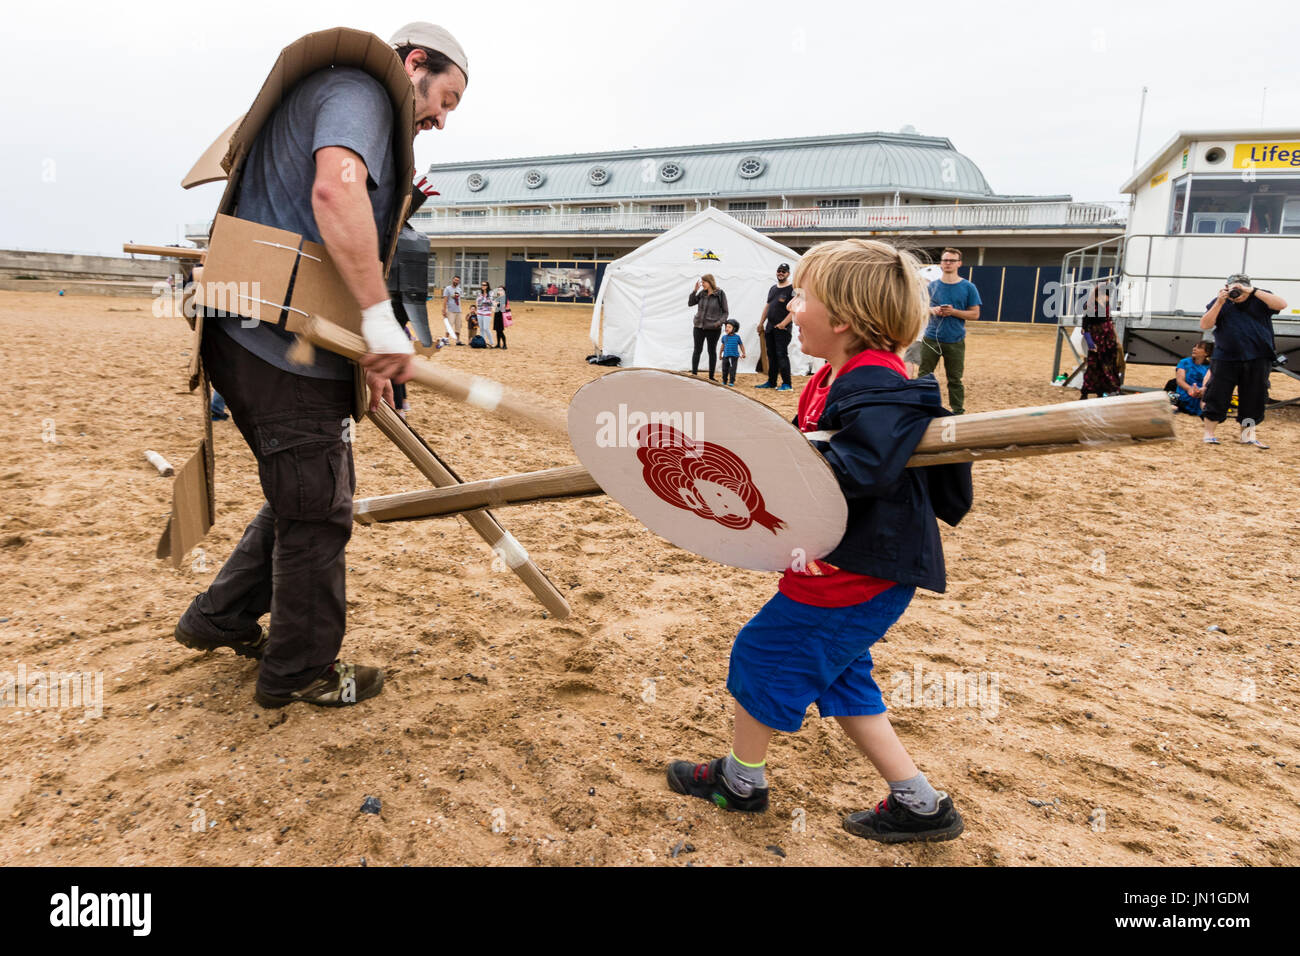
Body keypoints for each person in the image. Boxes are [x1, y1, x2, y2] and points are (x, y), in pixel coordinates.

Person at [173, 23, 469, 708]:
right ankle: (300, 672)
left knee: (306, 493)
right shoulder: (361, 89)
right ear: (414, 63)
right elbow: (335, 197)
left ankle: (220, 616)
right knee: (319, 515)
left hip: (277, 338)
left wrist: (367, 357)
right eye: (445, 98)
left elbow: (336, 238)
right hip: (279, 344)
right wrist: (377, 320)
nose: (442, 119)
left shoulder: (350, 96)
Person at [666, 238, 973, 843]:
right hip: (846, 566)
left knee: (761, 653)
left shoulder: (876, 385)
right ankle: (919, 803)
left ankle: (741, 781)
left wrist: (779, 469)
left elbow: (858, 472)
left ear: (845, 320)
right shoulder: (837, 377)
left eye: (801, 297)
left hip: (856, 573)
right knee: (844, 679)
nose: (789, 307)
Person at [1200, 273, 1286, 448]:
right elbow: (1205, 325)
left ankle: (1247, 436)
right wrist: (1219, 302)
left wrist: (1253, 291)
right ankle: (1209, 434)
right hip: (1225, 357)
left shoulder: (1260, 298)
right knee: (1217, 395)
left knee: (1253, 398)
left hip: (1258, 357)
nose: (1237, 293)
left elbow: (1282, 304)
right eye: (1233, 288)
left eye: (1241, 288)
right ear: (1227, 287)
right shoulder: (1221, 302)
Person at [916, 248, 981, 414]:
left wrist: (954, 312)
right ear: (941, 263)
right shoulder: (932, 287)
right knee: (924, 376)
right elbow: (921, 309)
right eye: (945, 260)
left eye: (952, 260)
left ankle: (958, 411)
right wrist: (934, 310)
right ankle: (923, 409)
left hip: (955, 340)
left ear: (959, 263)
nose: (948, 263)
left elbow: (975, 314)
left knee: (955, 379)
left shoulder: (968, 287)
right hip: (931, 338)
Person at [1078, 283, 1123, 400]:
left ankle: (1110, 390)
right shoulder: (1090, 307)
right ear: (1101, 294)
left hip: (1109, 341)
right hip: (1097, 341)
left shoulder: (1107, 306)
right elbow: (1085, 327)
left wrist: (1117, 339)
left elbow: (1110, 322)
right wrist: (1090, 343)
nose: (1109, 298)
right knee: (1094, 367)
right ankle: (1085, 392)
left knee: (1110, 366)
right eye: (1107, 295)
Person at [755, 262, 795, 391]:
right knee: (771, 355)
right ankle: (771, 382)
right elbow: (767, 306)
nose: (781, 273)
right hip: (770, 327)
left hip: (782, 329)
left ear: (788, 274)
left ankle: (787, 384)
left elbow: (795, 308)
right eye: (779, 270)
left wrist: (784, 323)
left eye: (784, 271)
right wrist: (761, 323)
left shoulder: (793, 289)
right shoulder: (773, 288)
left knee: (781, 355)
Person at [688, 274, 728, 380]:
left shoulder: (720, 294)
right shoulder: (702, 293)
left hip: (713, 329)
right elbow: (691, 303)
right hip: (698, 327)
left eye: (703, 282)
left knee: (711, 351)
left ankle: (711, 377)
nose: (702, 284)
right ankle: (694, 375)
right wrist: (694, 291)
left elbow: (725, 312)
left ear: (710, 282)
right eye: (701, 282)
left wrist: (718, 323)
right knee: (697, 350)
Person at [1172, 340, 1212, 416]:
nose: (1194, 349)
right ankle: (1173, 404)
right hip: (1183, 394)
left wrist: (1201, 391)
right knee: (1172, 384)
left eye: (1199, 347)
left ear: (1206, 353)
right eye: (1195, 346)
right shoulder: (1184, 362)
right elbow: (1180, 381)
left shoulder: (1210, 367)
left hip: (1200, 395)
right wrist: (1189, 389)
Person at [717, 319, 745, 386]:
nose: (727, 328)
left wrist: (743, 353)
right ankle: (724, 381)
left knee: (732, 370)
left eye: (729, 327)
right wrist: (720, 354)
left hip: (734, 357)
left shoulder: (737, 337)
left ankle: (731, 381)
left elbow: (741, 345)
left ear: (734, 329)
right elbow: (722, 346)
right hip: (725, 356)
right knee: (724, 369)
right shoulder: (724, 337)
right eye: (726, 327)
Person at [442, 274, 464, 344]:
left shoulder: (459, 290)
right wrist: (444, 310)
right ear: (452, 280)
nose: (456, 281)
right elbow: (445, 300)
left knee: (458, 326)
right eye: (455, 280)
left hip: (458, 310)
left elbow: (458, 299)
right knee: (449, 325)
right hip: (450, 310)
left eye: (458, 280)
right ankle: (446, 339)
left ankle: (458, 340)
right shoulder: (447, 289)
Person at [475, 280, 495, 347]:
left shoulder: (490, 293)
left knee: (486, 328)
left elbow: (490, 302)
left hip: (487, 312)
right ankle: (482, 343)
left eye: (484, 285)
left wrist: (484, 302)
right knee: (481, 328)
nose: (483, 286)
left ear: (487, 286)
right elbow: (477, 302)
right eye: (482, 285)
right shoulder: (479, 293)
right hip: (479, 312)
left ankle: (491, 342)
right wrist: (483, 303)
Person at [492, 285, 508, 349]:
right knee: (497, 331)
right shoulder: (498, 297)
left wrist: (496, 304)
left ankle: (505, 344)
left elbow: (502, 306)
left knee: (500, 331)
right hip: (497, 315)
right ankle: (498, 344)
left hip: (501, 316)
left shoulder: (504, 298)